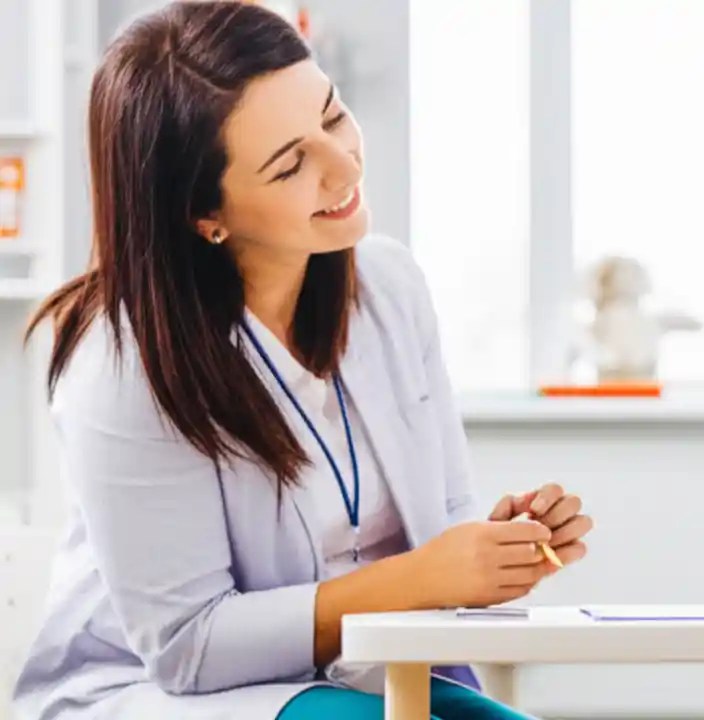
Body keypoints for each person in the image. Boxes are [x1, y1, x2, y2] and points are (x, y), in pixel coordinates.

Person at [14, 3, 591, 718]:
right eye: (291, 164)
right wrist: (423, 576)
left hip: (362, 674)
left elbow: (439, 528)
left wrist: (495, 553)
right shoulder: (124, 367)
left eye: (332, 115)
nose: (344, 164)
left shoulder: (389, 288)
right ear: (205, 215)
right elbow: (190, 646)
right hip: (162, 694)